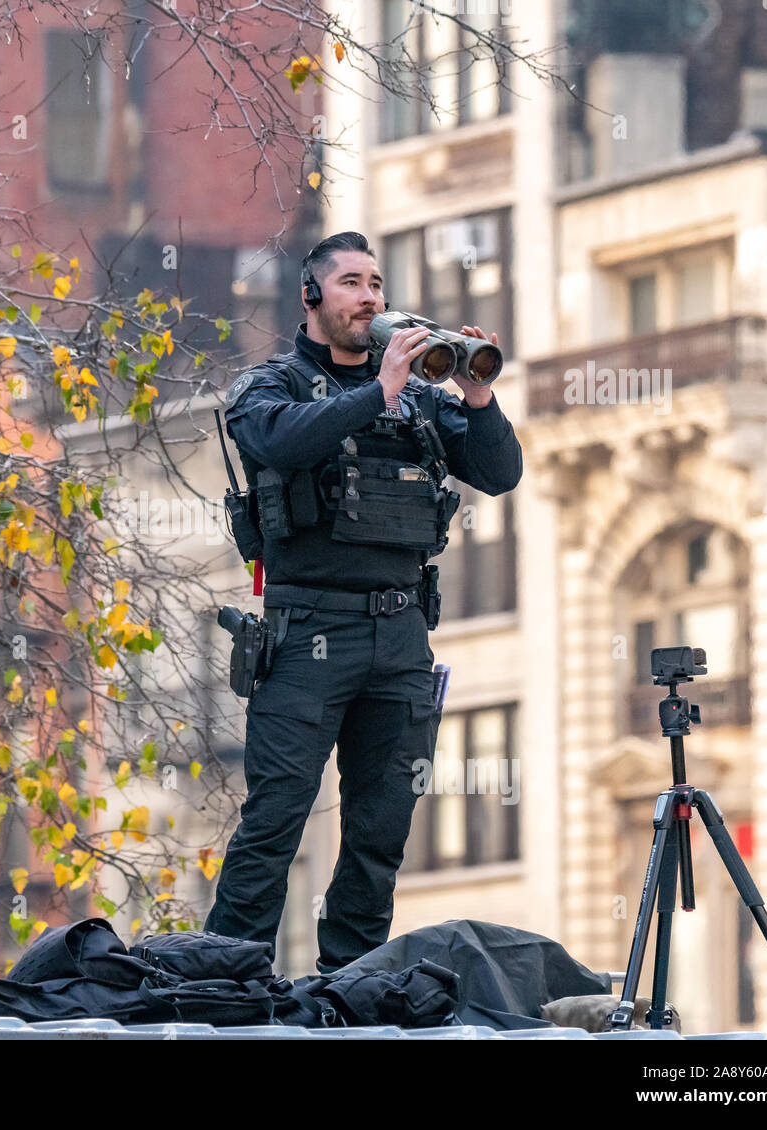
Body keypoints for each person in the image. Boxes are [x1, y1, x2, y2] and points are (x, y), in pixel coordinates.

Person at [204, 231, 523, 973]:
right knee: (276, 817)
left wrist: (476, 396)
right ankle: (224, 980)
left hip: (401, 636)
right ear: (312, 297)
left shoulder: (418, 402)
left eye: (377, 283)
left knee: (381, 828)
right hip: (306, 630)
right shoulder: (270, 386)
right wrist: (373, 391)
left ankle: (349, 985)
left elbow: (500, 472)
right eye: (351, 282)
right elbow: (280, 442)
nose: (370, 297)